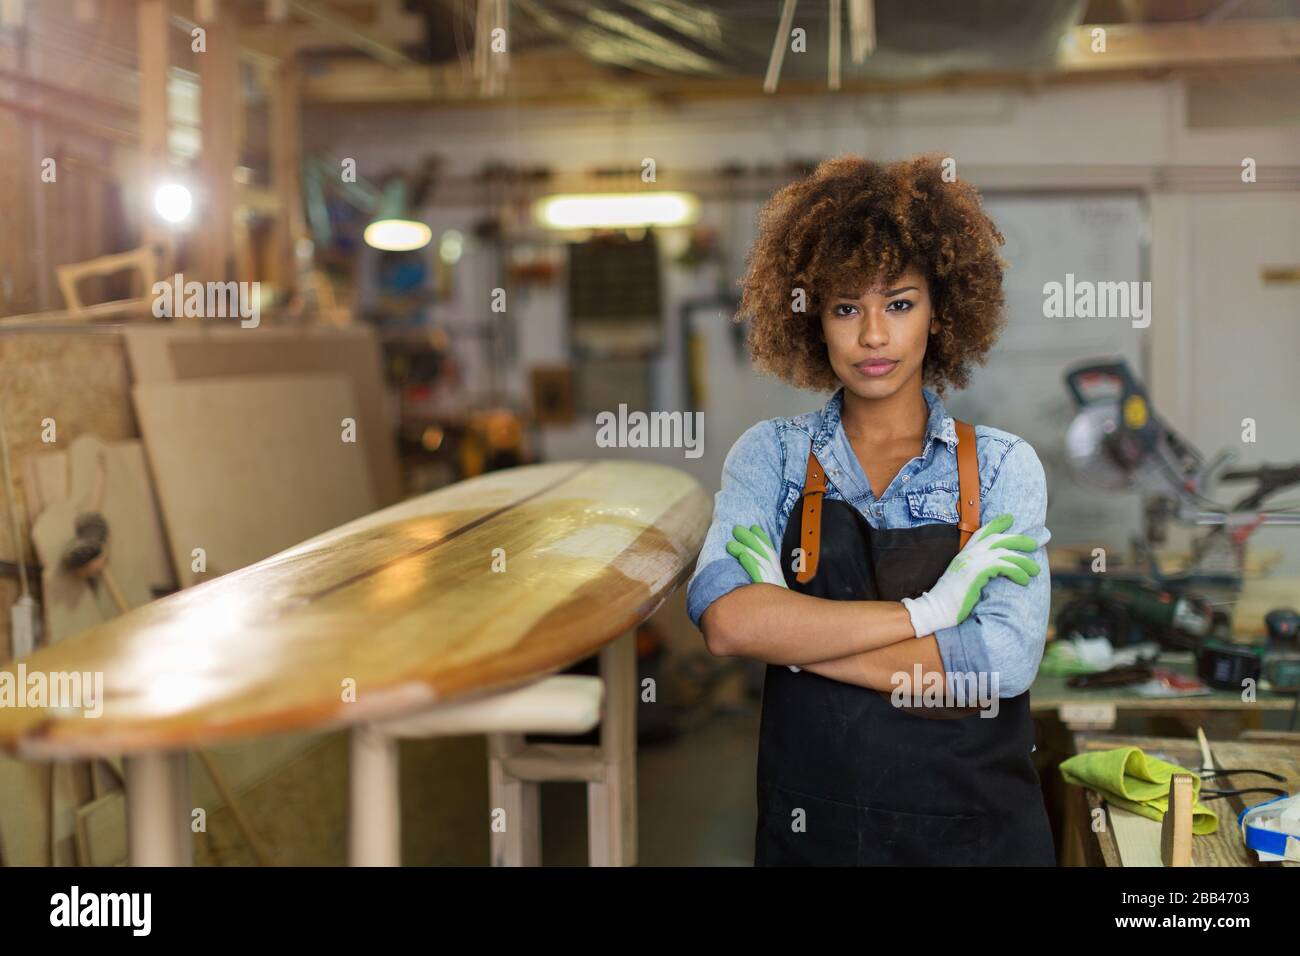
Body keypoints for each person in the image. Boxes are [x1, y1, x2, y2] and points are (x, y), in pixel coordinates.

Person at [686, 154, 1057, 866]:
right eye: (846, 307)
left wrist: (796, 640)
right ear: (813, 320)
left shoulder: (1005, 466)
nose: (874, 337)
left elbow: (1001, 666)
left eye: (899, 303)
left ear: (940, 311)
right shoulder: (772, 458)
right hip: (818, 836)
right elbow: (731, 626)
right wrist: (931, 615)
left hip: (975, 839)